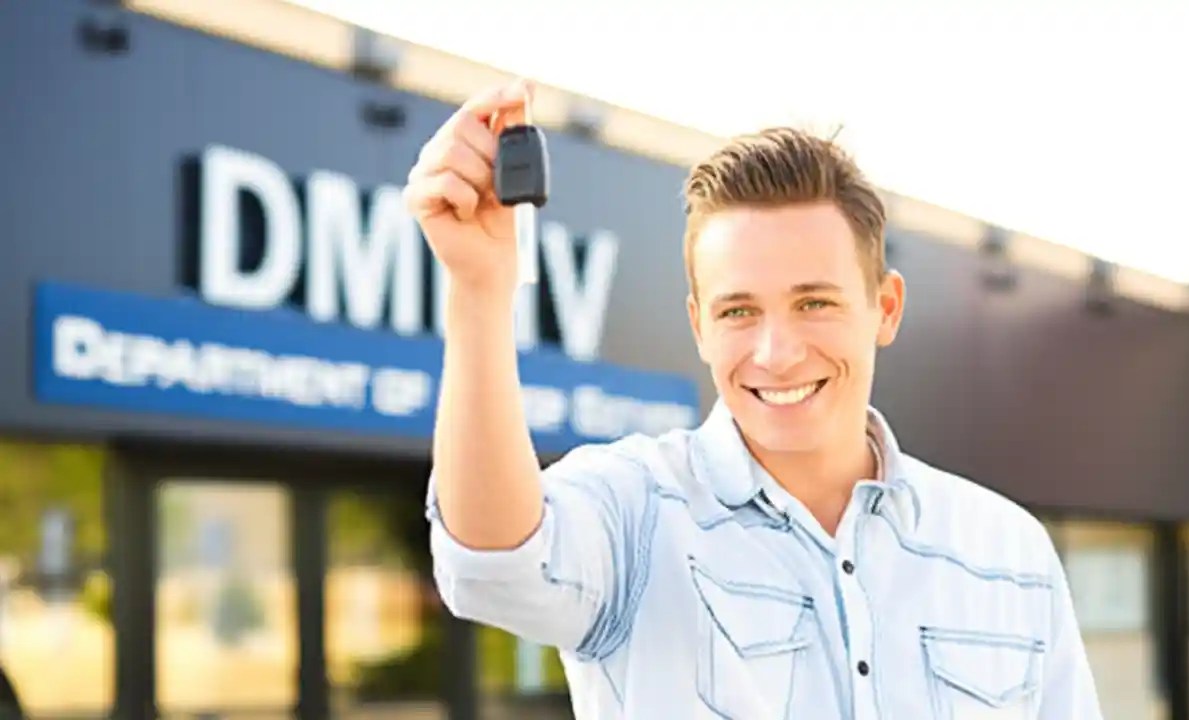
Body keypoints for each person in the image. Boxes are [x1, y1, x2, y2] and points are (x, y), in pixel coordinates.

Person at [405, 78, 1103, 719]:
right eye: (739, 311)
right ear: (699, 325)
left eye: (814, 302)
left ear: (885, 308)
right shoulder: (634, 513)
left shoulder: (1008, 552)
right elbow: (491, 563)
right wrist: (478, 288)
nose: (776, 351)